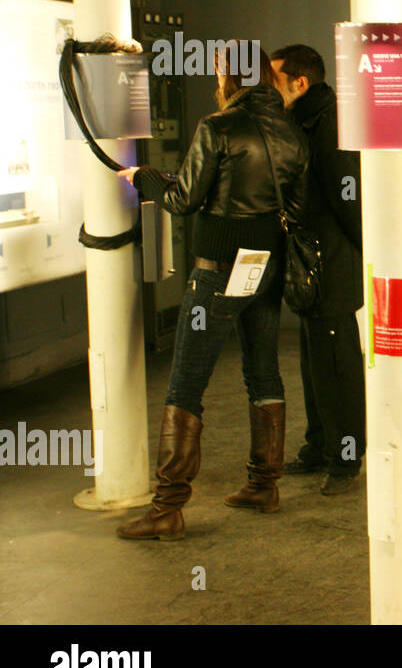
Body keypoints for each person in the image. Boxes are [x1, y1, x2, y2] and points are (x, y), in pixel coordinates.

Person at [115, 46, 309, 540]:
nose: (214, 83)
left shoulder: (218, 127)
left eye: (218, 73)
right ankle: (264, 485)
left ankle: (167, 509)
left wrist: (144, 178)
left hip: (218, 270)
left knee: (185, 383)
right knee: (263, 372)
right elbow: (295, 204)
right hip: (265, 265)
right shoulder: (292, 132)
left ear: (231, 76)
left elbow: (182, 200)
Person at [270, 44, 366, 495]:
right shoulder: (309, 118)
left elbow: (347, 197)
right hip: (317, 259)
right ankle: (320, 444)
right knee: (315, 361)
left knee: (336, 363)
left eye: (276, 79)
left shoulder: (327, 124)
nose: (270, 87)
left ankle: (345, 459)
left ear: (300, 82)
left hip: (330, 260)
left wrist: (363, 248)